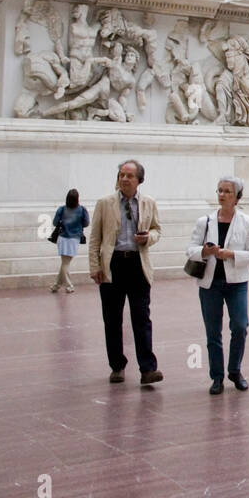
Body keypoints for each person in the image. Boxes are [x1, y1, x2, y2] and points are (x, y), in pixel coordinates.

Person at [89, 160, 163, 386]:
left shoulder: (148, 203)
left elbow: (157, 229)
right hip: (113, 265)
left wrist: (147, 238)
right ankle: (117, 366)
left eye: (130, 176)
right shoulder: (105, 203)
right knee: (112, 319)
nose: (124, 179)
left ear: (139, 180)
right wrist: (95, 267)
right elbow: (95, 238)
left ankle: (148, 369)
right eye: (122, 175)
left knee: (142, 318)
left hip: (138, 265)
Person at [186, 177, 249, 395]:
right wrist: (204, 251)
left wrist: (231, 255)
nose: (222, 195)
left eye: (227, 191)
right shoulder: (205, 221)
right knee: (213, 331)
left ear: (237, 197)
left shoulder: (247, 222)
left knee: (239, 326)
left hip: (237, 282)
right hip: (210, 283)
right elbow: (190, 249)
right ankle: (216, 377)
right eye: (219, 190)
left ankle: (235, 370)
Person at [50, 188, 89, 293]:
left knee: (65, 263)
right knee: (66, 263)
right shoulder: (82, 210)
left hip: (62, 237)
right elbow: (86, 223)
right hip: (74, 239)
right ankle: (69, 285)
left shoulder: (61, 209)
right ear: (77, 199)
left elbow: (54, 223)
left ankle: (56, 285)